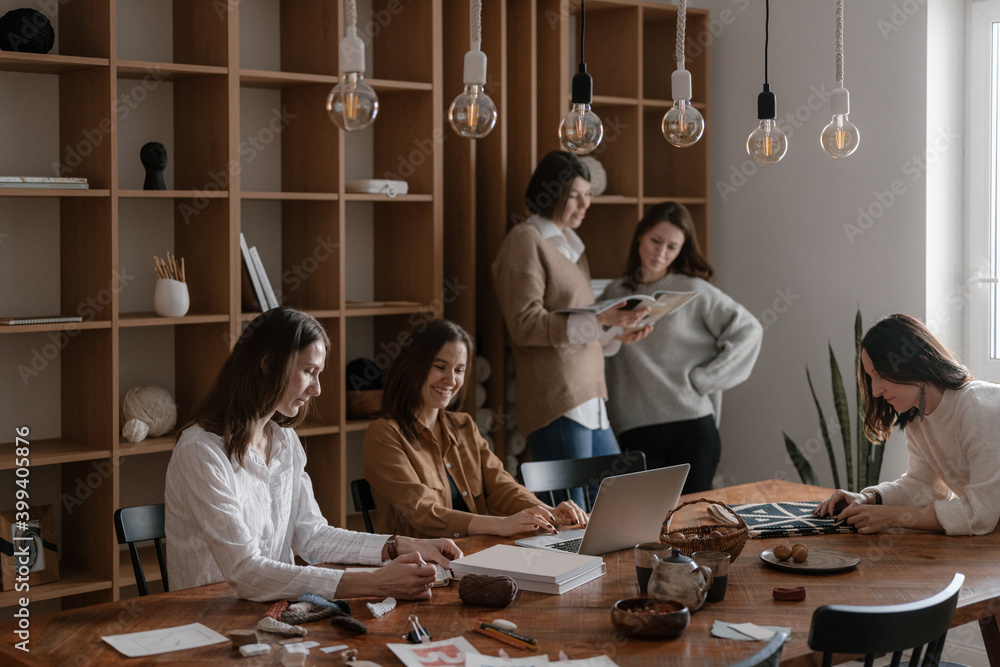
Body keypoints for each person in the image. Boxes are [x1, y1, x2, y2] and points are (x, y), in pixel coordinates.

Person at [165, 308, 462, 603]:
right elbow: (245, 572)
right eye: (309, 371)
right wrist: (376, 582)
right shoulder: (200, 451)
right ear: (267, 363)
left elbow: (313, 536)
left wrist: (404, 545)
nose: (317, 389)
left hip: (273, 613)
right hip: (204, 620)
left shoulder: (285, 441)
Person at [491, 151, 649, 503]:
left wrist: (616, 330)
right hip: (557, 400)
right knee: (571, 519)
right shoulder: (525, 240)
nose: (585, 204)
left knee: (617, 504)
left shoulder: (573, 247)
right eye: (575, 195)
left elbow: (582, 326)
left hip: (591, 397)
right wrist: (600, 320)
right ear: (551, 193)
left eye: (588, 195)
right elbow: (524, 324)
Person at [363, 318, 589, 539]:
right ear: (414, 366)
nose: (450, 380)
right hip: (420, 565)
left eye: (459, 370)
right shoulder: (384, 434)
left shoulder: (464, 426)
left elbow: (502, 487)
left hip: (474, 556)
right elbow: (421, 511)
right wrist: (501, 524)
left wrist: (548, 512)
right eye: (440, 367)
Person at [599, 202, 762, 494]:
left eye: (672, 247)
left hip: (692, 427)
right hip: (634, 431)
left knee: (689, 527)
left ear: (681, 250)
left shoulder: (693, 290)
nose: (660, 253)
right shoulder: (614, 293)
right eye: (655, 241)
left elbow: (750, 330)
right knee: (647, 529)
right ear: (640, 236)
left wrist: (704, 379)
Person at [814, 313, 1000, 535]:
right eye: (871, 378)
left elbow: (981, 514)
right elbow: (925, 488)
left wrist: (893, 516)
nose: (875, 391)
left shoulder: (979, 409)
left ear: (919, 362)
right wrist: (869, 498)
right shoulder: (918, 416)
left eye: (880, 375)